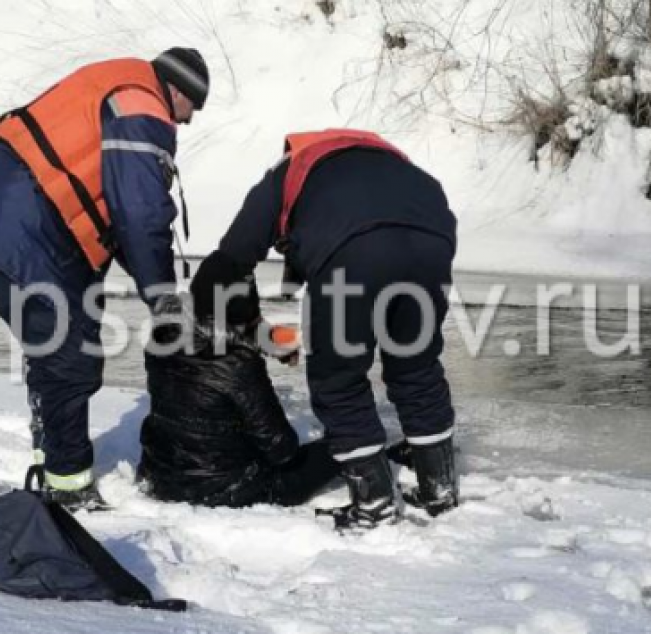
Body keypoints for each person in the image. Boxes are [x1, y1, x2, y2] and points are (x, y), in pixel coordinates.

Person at [0, 48, 211, 511]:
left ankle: (53, 461)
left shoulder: (120, 88)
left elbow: (119, 214)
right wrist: (162, 296)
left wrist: (157, 293)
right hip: (26, 227)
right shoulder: (143, 105)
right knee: (69, 357)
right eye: (192, 109)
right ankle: (67, 490)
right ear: (180, 90)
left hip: (12, 216)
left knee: (58, 350)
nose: (187, 122)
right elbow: (141, 212)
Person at [188, 129, 459, 530]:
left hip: (354, 252)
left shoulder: (288, 172)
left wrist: (247, 327)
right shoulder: (386, 162)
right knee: (415, 365)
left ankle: (374, 505)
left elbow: (228, 263)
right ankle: (440, 490)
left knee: (338, 375)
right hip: (433, 240)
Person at [137, 285, 338, 508]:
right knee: (341, 444)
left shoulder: (158, 350)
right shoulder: (238, 363)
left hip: (161, 479)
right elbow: (281, 448)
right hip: (230, 490)